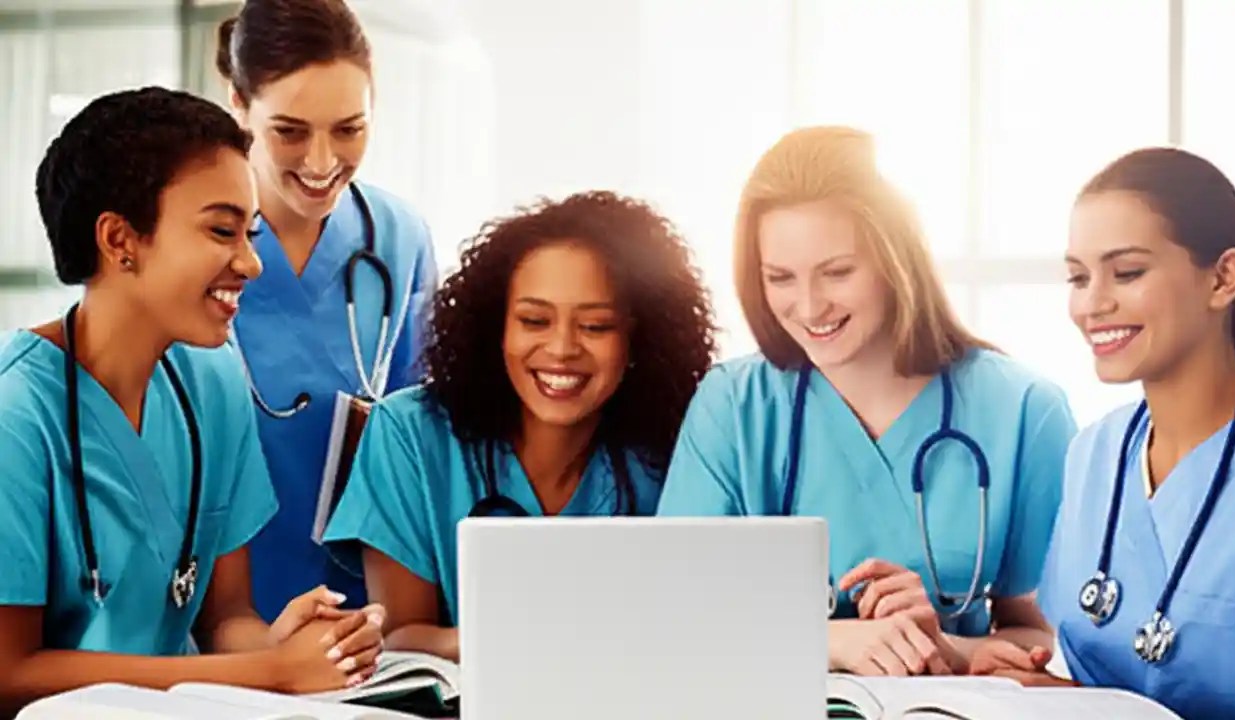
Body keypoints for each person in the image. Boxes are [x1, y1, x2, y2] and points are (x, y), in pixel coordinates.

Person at [0, 87, 385, 716]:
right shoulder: (16, 413)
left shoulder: (213, 377)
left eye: (251, 233)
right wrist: (268, 671)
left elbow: (225, 615)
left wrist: (289, 651)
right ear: (119, 239)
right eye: (221, 230)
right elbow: (7, 672)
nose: (251, 263)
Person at [655, 126, 1078, 677]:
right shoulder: (733, 406)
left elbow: (1037, 631)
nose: (809, 307)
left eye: (837, 272)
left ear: (896, 260)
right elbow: (676, 612)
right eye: (779, 277)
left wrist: (947, 646)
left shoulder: (1024, 411)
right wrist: (834, 641)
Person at [322, 191, 719, 661]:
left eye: (596, 326)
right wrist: (540, 644)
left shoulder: (680, 447)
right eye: (534, 320)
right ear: (496, 326)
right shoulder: (408, 433)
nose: (562, 348)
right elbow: (400, 635)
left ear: (639, 338)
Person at [972, 148, 1235, 720]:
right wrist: (1050, 694)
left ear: (1224, 277)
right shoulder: (1095, 454)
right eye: (1078, 277)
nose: (1093, 303)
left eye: (1128, 272)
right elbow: (1110, 680)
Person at [216, 0, 439, 621]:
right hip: (224, 619)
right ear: (238, 103)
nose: (321, 162)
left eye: (349, 129)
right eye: (289, 131)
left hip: (375, 620)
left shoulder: (400, 238)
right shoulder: (192, 245)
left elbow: (422, 436)